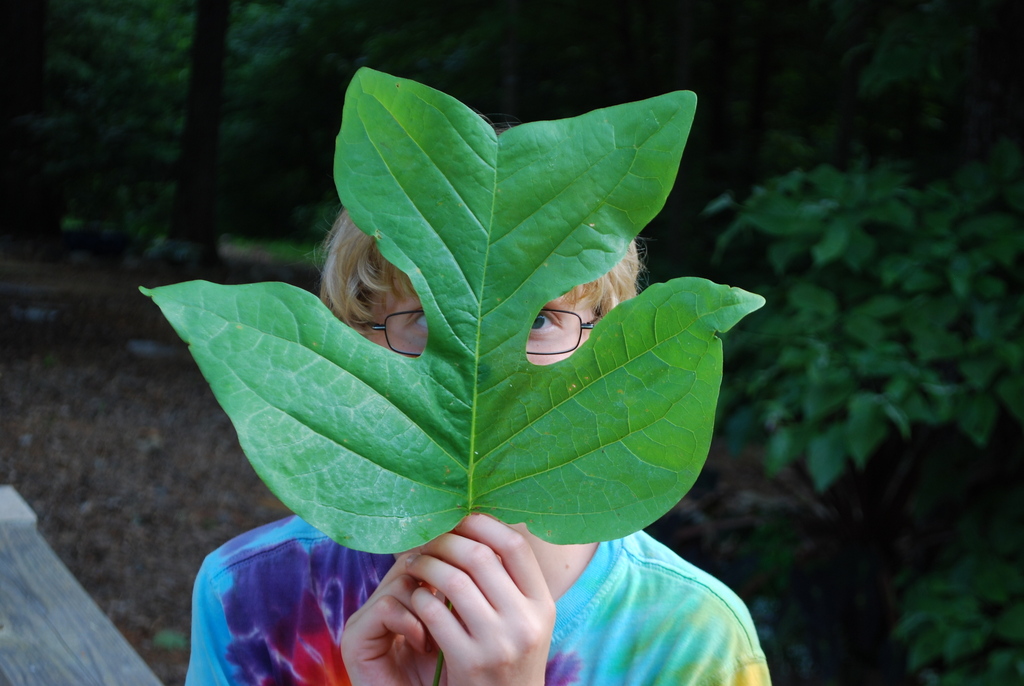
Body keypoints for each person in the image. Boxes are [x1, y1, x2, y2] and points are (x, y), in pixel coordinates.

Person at [184, 209, 772, 685]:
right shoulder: (256, 603)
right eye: (423, 318)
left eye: (542, 319)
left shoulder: (695, 646)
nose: (485, 367)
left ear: (607, 349)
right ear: (354, 351)